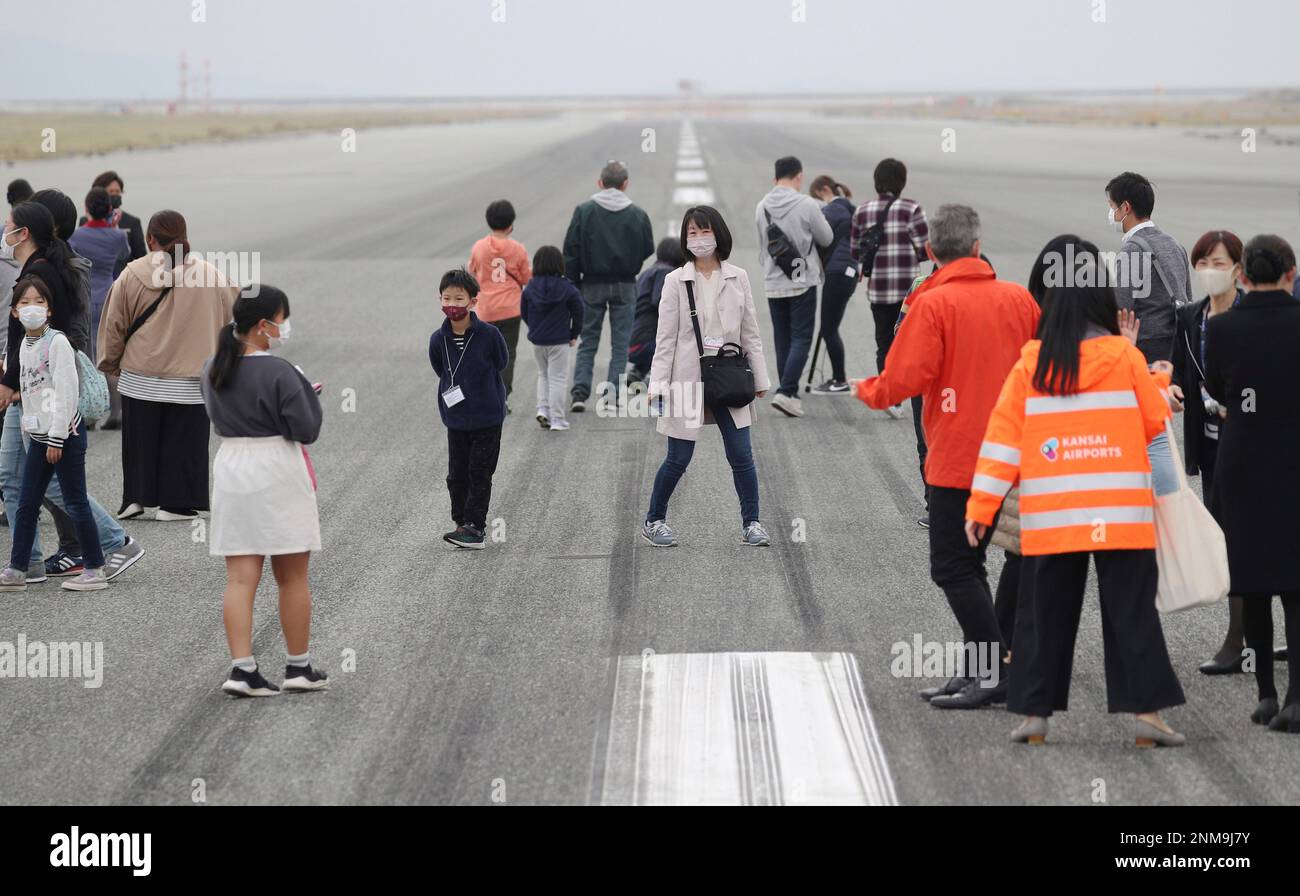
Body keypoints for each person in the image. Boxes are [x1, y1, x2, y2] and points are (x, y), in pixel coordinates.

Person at [967, 258, 1186, 747]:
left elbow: (1002, 443)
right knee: (1132, 613)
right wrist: (1153, 380)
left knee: (1042, 614)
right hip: (1121, 511)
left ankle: (1034, 717)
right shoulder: (1125, 358)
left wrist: (981, 509)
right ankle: (1147, 719)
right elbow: (1154, 423)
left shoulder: (1032, 363)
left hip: (1055, 512)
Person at [857, 205, 1040, 708]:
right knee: (997, 565)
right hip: (1015, 455)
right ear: (978, 247)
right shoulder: (1020, 299)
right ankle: (985, 667)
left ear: (931, 251)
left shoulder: (932, 304)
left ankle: (993, 670)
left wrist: (867, 391)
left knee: (956, 568)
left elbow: (905, 378)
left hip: (959, 458)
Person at [0, 203, 145, 583]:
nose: (5, 231)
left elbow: (32, 341)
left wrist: (10, 384)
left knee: (55, 486)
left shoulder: (40, 274)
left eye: (10, 226)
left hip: (40, 396)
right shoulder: (49, 266)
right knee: (14, 479)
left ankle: (116, 541)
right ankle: (24, 562)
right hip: (30, 392)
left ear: (25, 232)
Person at [203, 286, 327, 698]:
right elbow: (305, 428)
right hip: (276, 467)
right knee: (292, 577)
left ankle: (242, 669)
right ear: (262, 325)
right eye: (280, 319)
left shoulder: (212, 366)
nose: (283, 328)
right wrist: (308, 394)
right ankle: (298, 666)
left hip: (233, 467)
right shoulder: (281, 371)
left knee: (240, 579)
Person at [1204, 234, 1300, 732]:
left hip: (1241, 462)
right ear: (1292, 272)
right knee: (1296, 584)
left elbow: (1219, 389)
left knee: (1253, 578)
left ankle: (1264, 691)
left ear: (1241, 277)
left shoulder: (1223, 329)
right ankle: (1297, 698)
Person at [643, 205, 771, 548]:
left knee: (741, 454)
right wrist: (657, 385)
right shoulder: (675, 281)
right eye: (692, 233)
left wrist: (759, 379)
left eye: (705, 232)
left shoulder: (738, 277)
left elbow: (750, 333)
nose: (699, 239)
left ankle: (752, 523)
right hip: (687, 377)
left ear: (719, 234)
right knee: (678, 458)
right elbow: (665, 339)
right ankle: (654, 519)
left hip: (729, 374)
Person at [97, 210, 238, 521]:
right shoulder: (210, 274)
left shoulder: (132, 274)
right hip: (188, 377)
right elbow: (234, 314)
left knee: (140, 441)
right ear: (185, 238)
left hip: (139, 375)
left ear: (150, 239)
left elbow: (114, 324)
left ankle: (136, 498)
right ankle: (176, 504)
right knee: (183, 441)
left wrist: (110, 362)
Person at [1169, 230, 1250, 676]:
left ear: (1238, 268)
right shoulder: (1189, 317)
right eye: (1203, 263)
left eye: (1219, 263)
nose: (1210, 271)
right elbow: (1179, 371)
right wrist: (1174, 388)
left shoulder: (1251, 314)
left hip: (1253, 447)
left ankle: (1240, 640)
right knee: (1225, 541)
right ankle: (1246, 635)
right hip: (1212, 445)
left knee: (1253, 542)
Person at [0, 276, 109, 592]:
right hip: (39, 436)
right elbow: (30, 390)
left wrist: (57, 437)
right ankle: (17, 569)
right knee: (26, 502)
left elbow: (66, 391)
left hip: (64, 436)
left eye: (39, 302)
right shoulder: (24, 345)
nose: (31, 308)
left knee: (75, 502)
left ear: (49, 310)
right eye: (24, 303)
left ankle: (95, 568)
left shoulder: (57, 343)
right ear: (15, 312)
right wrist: (31, 427)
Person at [563, 161, 654, 413]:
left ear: (600, 183)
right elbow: (648, 247)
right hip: (625, 284)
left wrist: (575, 283)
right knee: (620, 343)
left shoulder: (583, 211)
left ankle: (580, 394)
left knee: (588, 340)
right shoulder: (638, 214)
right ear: (626, 184)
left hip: (591, 284)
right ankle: (612, 394)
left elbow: (570, 250)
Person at [429, 269, 508, 549]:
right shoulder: (438, 340)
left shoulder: (489, 335)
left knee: (480, 472)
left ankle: (474, 527)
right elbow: (440, 368)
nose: (452, 303)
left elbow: (501, 362)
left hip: (487, 416)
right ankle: (461, 521)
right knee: (456, 474)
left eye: (459, 298)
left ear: (473, 301)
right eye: (447, 297)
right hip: (456, 418)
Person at [849, 158, 929, 417]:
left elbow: (855, 250)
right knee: (908, 342)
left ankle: (890, 398)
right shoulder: (911, 208)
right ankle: (907, 396)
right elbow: (925, 247)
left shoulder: (862, 210)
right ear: (902, 182)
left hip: (879, 289)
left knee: (883, 341)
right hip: (908, 291)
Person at [755, 156, 832, 418]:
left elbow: (762, 246)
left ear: (775, 178)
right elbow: (827, 237)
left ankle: (788, 391)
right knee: (801, 337)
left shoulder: (762, 206)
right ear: (799, 176)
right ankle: (787, 392)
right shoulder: (807, 204)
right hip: (802, 280)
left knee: (782, 337)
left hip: (773, 281)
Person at [466, 200, 531, 408]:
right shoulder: (518, 249)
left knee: (485, 353)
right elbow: (526, 279)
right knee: (507, 354)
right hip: (511, 309)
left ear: (489, 222)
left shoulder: (479, 247)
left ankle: (485, 393)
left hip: (486, 309)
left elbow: (472, 272)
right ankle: (502, 395)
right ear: (511, 224)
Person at [520, 246, 583, 431]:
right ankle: (557, 418)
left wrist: (534, 328)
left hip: (537, 340)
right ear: (559, 264)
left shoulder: (530, 287)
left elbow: (524, 311)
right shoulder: (568, 288)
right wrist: (573, 334)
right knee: (558, 378)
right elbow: (579, 312)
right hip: (559, 340)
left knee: (543, 374)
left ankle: (543, 408)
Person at [807, 175, 858, 394]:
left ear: (823, 190)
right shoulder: (851, 209)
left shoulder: (832, 210)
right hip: (850, 271)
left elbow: (818, 237)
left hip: (837, 272)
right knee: (831, 326)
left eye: (817, 196)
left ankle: (839, 380)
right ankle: (839, 378)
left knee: (828, 328)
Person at [68, 188, 130, 365]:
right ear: (110, 209)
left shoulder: (76, 235)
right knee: (106, 346)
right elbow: (125, 255)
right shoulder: (119, 236)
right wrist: (113, 228)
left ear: (87, 209)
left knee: (86, 348)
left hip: (82, 296)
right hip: (108, 296)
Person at [628, 238, 686, 385]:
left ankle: (638, 370)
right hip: (648, 343)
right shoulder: (666, 273)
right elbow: (660, 301)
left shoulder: (647, 272)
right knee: (677, 341)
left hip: (634, 341)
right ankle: (654, 376)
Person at [80, 171, 147, 263]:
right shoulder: (84, 222)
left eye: (117, 191)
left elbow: (141, 258)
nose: (114, 195)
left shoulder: (132, 222)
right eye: (110, 191)